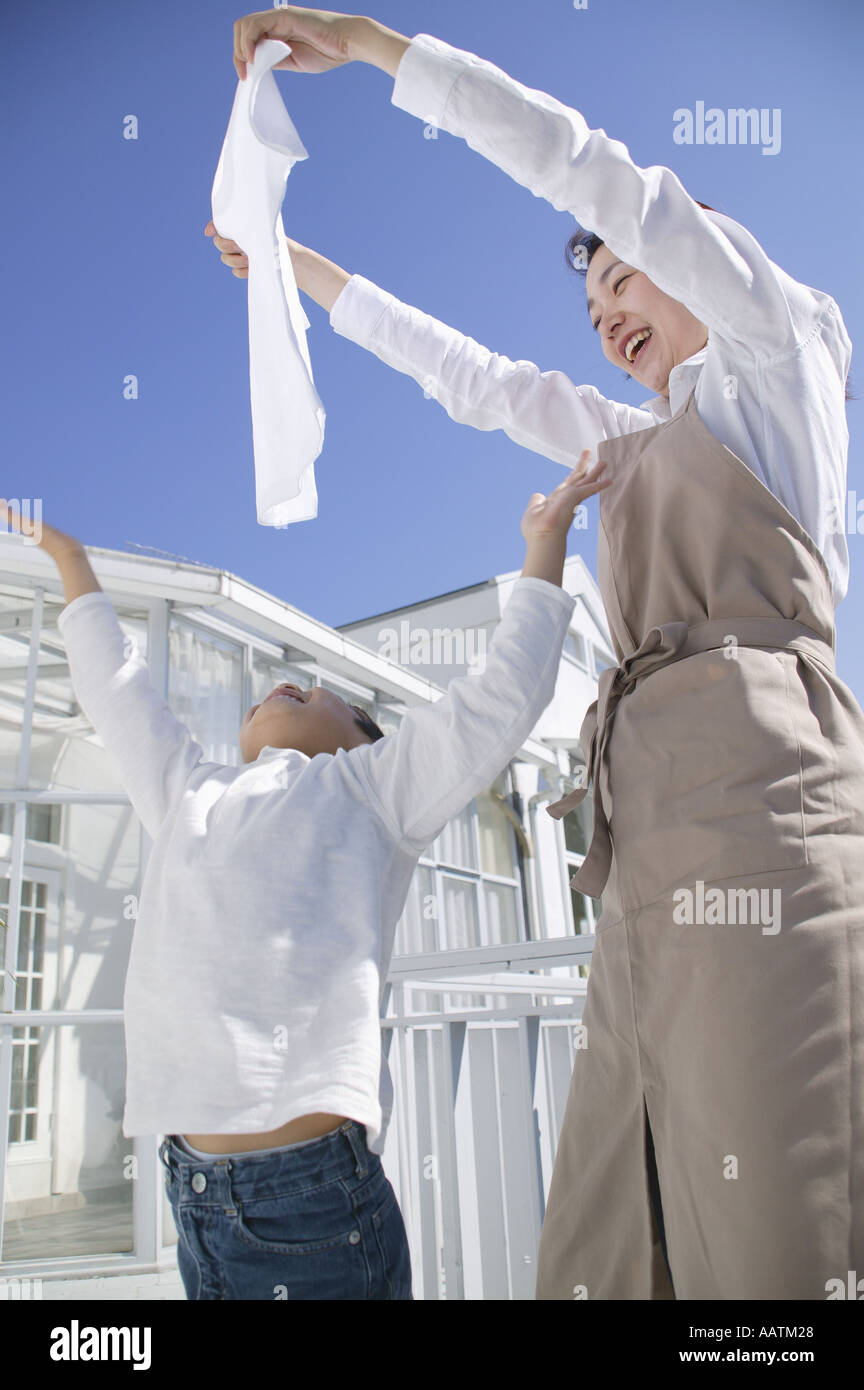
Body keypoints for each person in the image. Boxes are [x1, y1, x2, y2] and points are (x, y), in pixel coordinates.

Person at [213, 8, 864, 1300]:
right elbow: (474, 378)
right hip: (645, 843)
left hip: (765, 817)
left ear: (703, 257)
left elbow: (588, 166)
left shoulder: (774, 357)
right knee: (621, 1211)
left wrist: (382, 48)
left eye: (623, 276)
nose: (603, 309)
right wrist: (307, 275)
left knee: (768, 1206)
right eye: (588, 298)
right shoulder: (621, 442)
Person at [2, 450, 606, 1300]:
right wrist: (73, 564)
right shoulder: (190, 790)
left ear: (363, 737)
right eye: (277, 687)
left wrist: (546, 545)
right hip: (195, 1197)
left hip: (314, 1207)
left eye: (317, 691)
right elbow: (119, 691)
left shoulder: (374, 787)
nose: (285, 685)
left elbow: (501, 695)